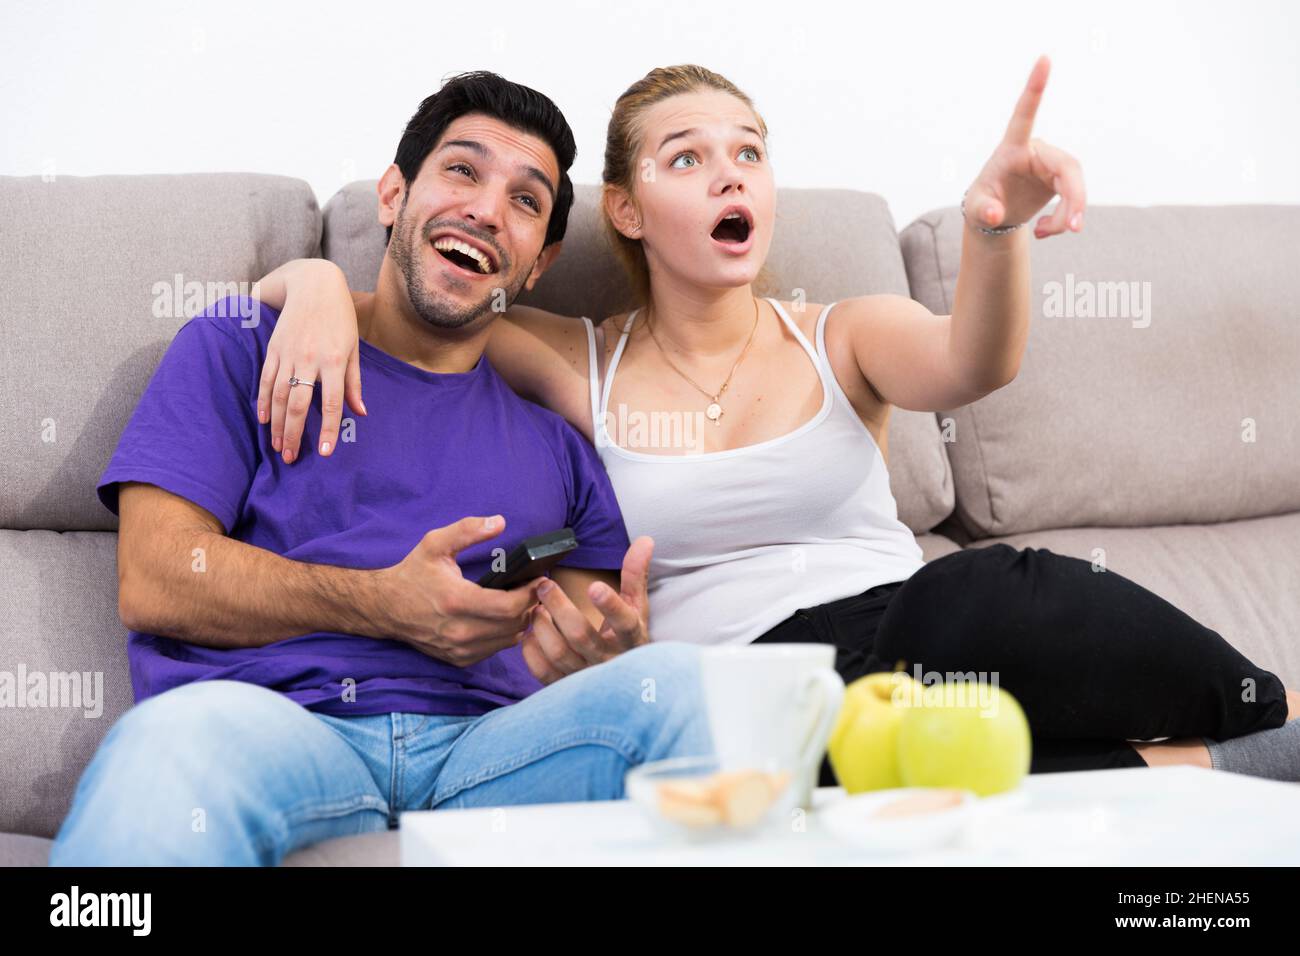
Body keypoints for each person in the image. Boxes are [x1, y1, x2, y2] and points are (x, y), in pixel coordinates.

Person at [254, 58, 1298, 784]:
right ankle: (1210, 771)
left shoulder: (840, 334)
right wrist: (308, 282)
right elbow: (416, 311)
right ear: (624, 207)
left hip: (915, 628)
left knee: (983, 599)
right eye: (686, 158)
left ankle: (1268, 714)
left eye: (747, 153)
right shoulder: (578, 358)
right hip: (743, 699)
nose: (728, 173)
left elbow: (976, 359)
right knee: (858, 768)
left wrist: (995, 231)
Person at [49, 73, 714, 867]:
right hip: (283, 729)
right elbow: (155, 578)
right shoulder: (243, 345)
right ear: (393, 194)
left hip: (490, 752)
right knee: (170, 744)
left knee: (677, 684)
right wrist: (382, 605)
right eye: (462, 170)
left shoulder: (558, 443)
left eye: (526, 201)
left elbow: (583, 634)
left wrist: (607, 655)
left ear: (539, 263)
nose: (486, 210)